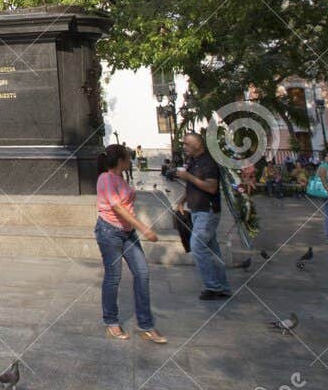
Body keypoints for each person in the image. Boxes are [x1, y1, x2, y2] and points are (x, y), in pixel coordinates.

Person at [95, 143, 166, 343]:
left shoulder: (119, 178)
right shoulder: (105, 178)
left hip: (127, 232)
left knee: (142, 273)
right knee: (113, 277)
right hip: (110, 232)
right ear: (120, 161)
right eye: (128, 157)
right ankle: (111, 321)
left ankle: (146, 324)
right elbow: (117, 207)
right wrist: (144, 228)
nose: (130, 160)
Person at [168, 132, 229, 299]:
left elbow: (211, 188)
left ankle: (213, 287)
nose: (184, 147)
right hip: (197, 210)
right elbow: (192, 186)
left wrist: (188, 176)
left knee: (197, 246)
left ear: (197, 145)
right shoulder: (194, 162)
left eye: (187, 144)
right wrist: (181, 201)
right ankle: (222, 287)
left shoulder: (208, 162)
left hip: (207, 211)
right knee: (212, 250)